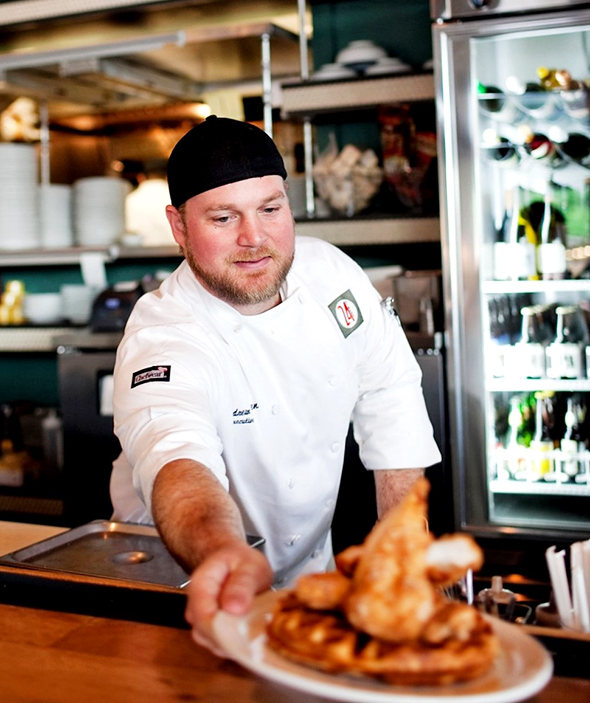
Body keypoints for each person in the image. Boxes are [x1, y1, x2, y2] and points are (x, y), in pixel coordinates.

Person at [110, 115, 441, 650]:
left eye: (271, 209)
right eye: (223, 217)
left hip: (312, 582)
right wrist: (223, 551)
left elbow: (388, 391)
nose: (254, 238)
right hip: (188, 589)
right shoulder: (163, 335)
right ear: (178, 227)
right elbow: (177, 461)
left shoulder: (329, 274)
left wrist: (403, 533)